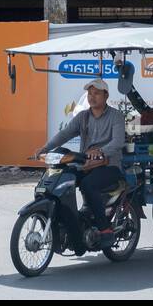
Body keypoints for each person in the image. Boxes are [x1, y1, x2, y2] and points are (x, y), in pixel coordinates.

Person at [34, 77, 126, 243]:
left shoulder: (116, 116)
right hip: (86, 164)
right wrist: (45, 148)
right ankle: (70, 221)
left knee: (87, 184)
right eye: (90, 93)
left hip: (110, 166)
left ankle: (104, 228)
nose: (92, 97)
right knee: (62, 180)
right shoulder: (83, 117)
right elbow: (65, 134)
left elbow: (118, 142)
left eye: (96, 93)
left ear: (106, 95)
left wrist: (100, 151)